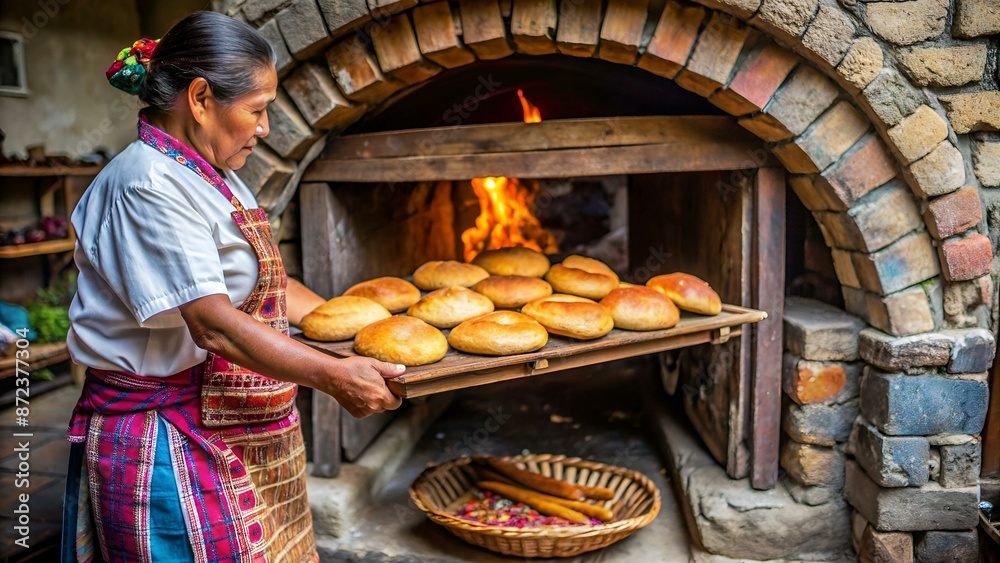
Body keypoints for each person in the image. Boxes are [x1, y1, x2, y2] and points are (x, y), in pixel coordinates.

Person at [62, 11, 404, 563]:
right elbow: (215, 325)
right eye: (258, 110)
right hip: (172, 445)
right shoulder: (147, 185)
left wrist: (379, 329)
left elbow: (269, 284)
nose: (265, 127)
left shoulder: (212, 171)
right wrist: (336, 376)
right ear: (199, 99)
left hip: (239, 430)